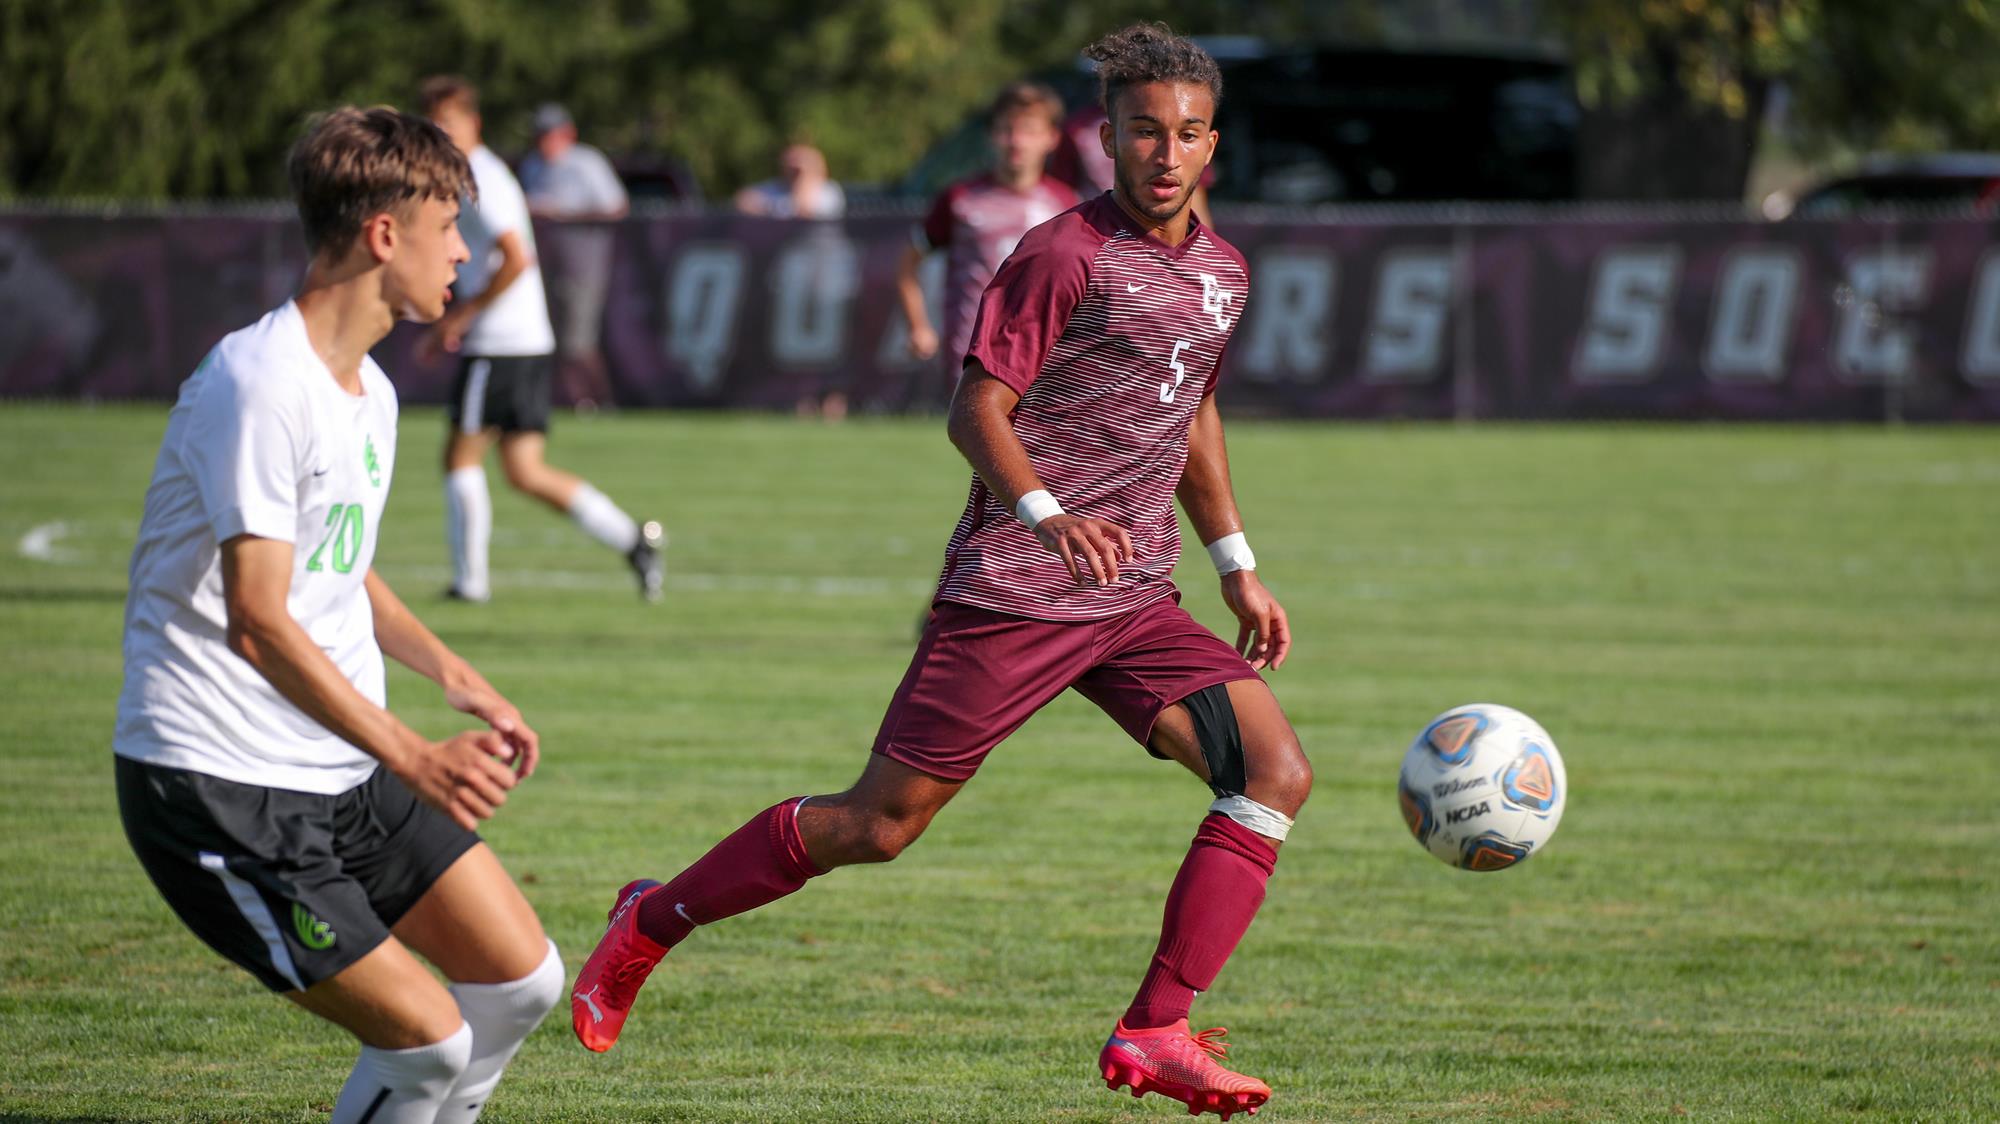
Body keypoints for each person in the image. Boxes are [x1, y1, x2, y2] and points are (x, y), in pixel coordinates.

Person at [570, 24, 1307, 1121]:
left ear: (1213, 144)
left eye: (1188, 133)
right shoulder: (1062, 252)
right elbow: (974, 408)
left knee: (1272, 771)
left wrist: (1234, 563)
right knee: (877, 824)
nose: (1165, 152)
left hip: (1132, 593)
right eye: (1144, 130)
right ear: (1101, 135)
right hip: (1015, 584)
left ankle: (1155, 1027)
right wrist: (1050, 516)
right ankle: (650, 919)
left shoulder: (1222, 270)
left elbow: (1189, 408)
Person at [114, 106, 560, 1124]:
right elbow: (259, 620)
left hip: (336, 771)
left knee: (518, 982)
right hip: (219, 788)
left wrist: (456, 673)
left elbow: (339, 563)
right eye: (449, 225)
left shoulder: (370, 391)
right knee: (427, 1043)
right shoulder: (259, 381)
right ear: (383, 234)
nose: (465, 249)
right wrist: (417, 752)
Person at [418, 77, 663, 603]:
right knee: (524, 471)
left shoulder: (479, 177)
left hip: (500, 339)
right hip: (526, 338)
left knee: (459, 459)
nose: (441, 132)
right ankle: (632, 541)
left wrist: (461, 317)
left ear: (472, 123)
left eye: (449, 122)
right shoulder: (480, 173)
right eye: (433, 123)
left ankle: (471, 583)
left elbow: (516, 257)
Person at [896, 82, 1078, 413]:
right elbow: (909, 263)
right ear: (992, 135)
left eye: (1028, 130)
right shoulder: (960, 200)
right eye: (1007, 129)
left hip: (1045, 353)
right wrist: (918, 326)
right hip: (972, 351)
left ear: (1051, 138)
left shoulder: (1067, 206)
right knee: (987, 451)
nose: (1016, 140)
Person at [519, 102, 629, 412]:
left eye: (549, 134)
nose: (543, 141)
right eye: (539, 134)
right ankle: (573, 401)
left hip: (584, 261)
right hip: (541, 263)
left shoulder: (586, 162)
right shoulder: (533, 165)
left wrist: (563, 214)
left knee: (578, 340)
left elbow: (617, 208)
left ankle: (600, 402)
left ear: (567, 133)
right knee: (549, 336)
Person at [734, 142, 852, 420]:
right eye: (790, 165)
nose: (794, 172)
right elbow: (742, 201)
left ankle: (832, 400)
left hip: (826, 283)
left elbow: (803, 209)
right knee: (792, 346)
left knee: (831, 347)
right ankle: (800, 398)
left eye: (802, 166)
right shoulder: (775, 190)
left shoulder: (827, 191)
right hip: (789, 284)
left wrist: (805, 179)